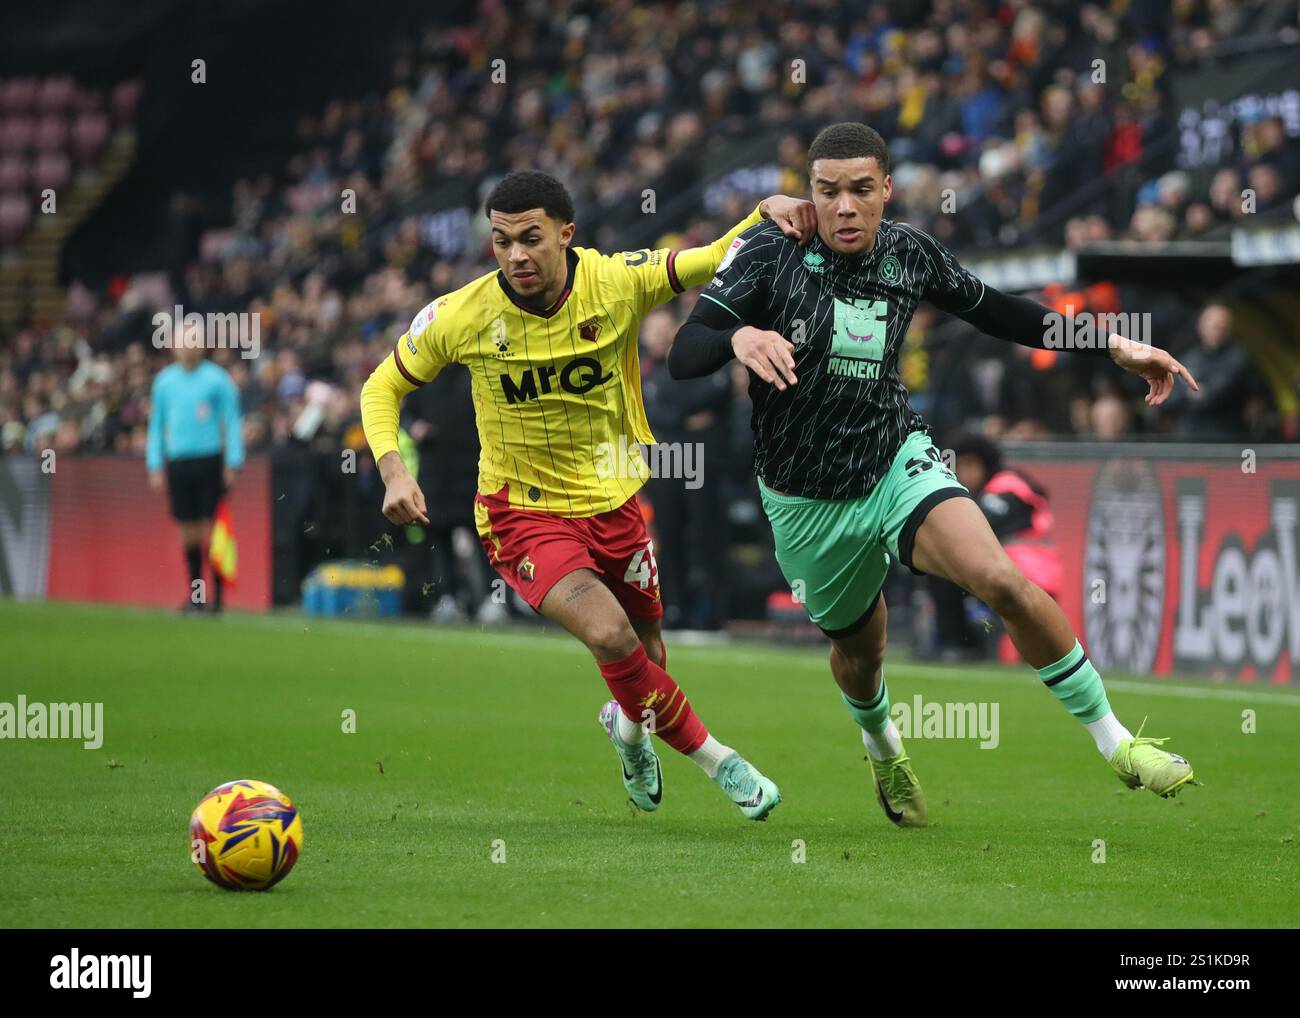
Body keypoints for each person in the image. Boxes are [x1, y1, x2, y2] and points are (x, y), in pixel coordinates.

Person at [670, 123, 1200, 828]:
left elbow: (1002, 313)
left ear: (887, 190)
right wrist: (737, 335)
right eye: (829, 192)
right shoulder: (770, 250)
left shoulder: (909, 253)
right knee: (860, 658)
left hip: (895, 462)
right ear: (811, 195)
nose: (846, 207)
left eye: (862, 190)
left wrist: (1111, 345)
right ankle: (883, 744)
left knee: (1003, 580)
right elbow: (685, 350)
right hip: (805, 502)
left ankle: (1118, 742)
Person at [361, 170, 817, 820]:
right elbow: (382, 387)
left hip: (615, 504)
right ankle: (722, 761)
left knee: (647, 653)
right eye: (500, 241)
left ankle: (629, 734)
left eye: (530, 238)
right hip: (522, 512)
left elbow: (713, 259)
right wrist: (393, 469)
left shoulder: (616, 280)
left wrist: (761, 214)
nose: (515, 254)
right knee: (610, 635)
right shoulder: (460, 315)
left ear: (566, 234)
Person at [928, 433, 1062, 660]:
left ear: (986, 463)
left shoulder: (1007, 485)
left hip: (1030, 576)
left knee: (944, 572)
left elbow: (974, 526)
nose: (965, 473)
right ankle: (962, 643)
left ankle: (960, 646)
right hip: (1015, 572)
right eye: (960, 466)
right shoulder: (988, 489)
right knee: (942, 570)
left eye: (971, 465)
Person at [639, 307, 732, 630]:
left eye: (666, 328)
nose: (661, 336)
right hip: (665, 460)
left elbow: (719, 390)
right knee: (669, 535)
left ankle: (711, 609)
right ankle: (675, 606)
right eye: (654, 329)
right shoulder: (646, 371)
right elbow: (651, 411)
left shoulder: (697, 360)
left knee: (708, 535)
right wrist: (685, 417)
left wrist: (674, 409)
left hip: (701, 458)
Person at [146, 332, 243, 613]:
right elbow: (156, 426)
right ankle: (197, 596)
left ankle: (219, 598)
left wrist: (233, 462)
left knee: (213, 528)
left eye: (194, 341)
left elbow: (232, 421)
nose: (189, 347)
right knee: (188, 530)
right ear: (174, 346)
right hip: (178, 461)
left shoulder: (217, 379)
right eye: (184, 342)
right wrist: (154, 464)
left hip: (209, 459)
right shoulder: (164, 382)